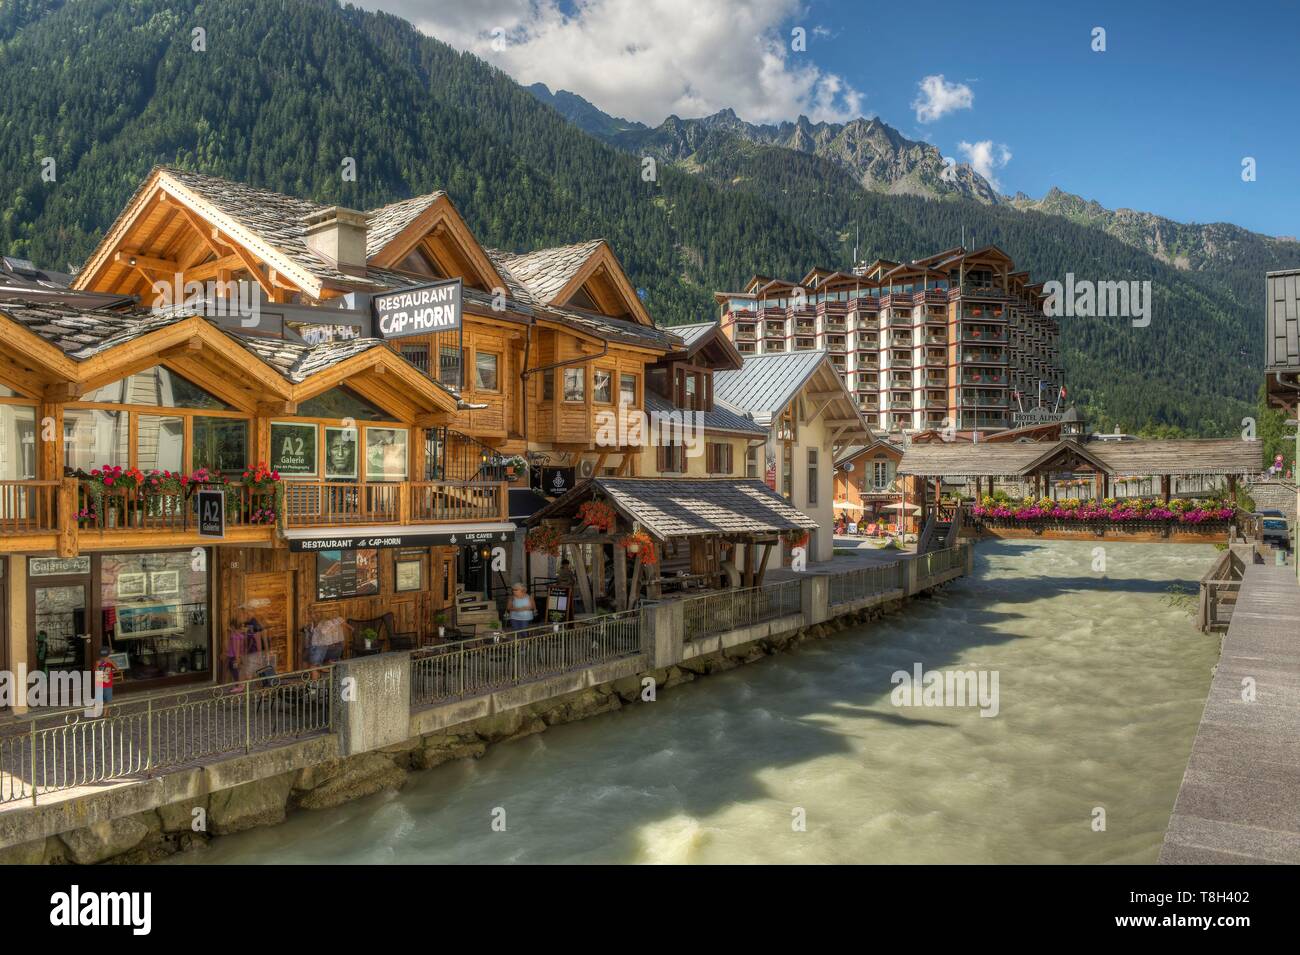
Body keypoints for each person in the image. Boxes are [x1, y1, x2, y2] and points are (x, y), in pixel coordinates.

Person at [94, 647, 120, 717]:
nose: (104, 658)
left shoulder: (110, 662)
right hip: (100, 684)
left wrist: (111, 662)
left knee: (107, 700)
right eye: (102, 657)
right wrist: (99, 664)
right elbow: (96, 673)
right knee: (100, 699)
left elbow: (117, 669)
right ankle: (101, 711)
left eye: (105, 656)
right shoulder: (98, 662)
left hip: (108, 684)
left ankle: (106, 713)